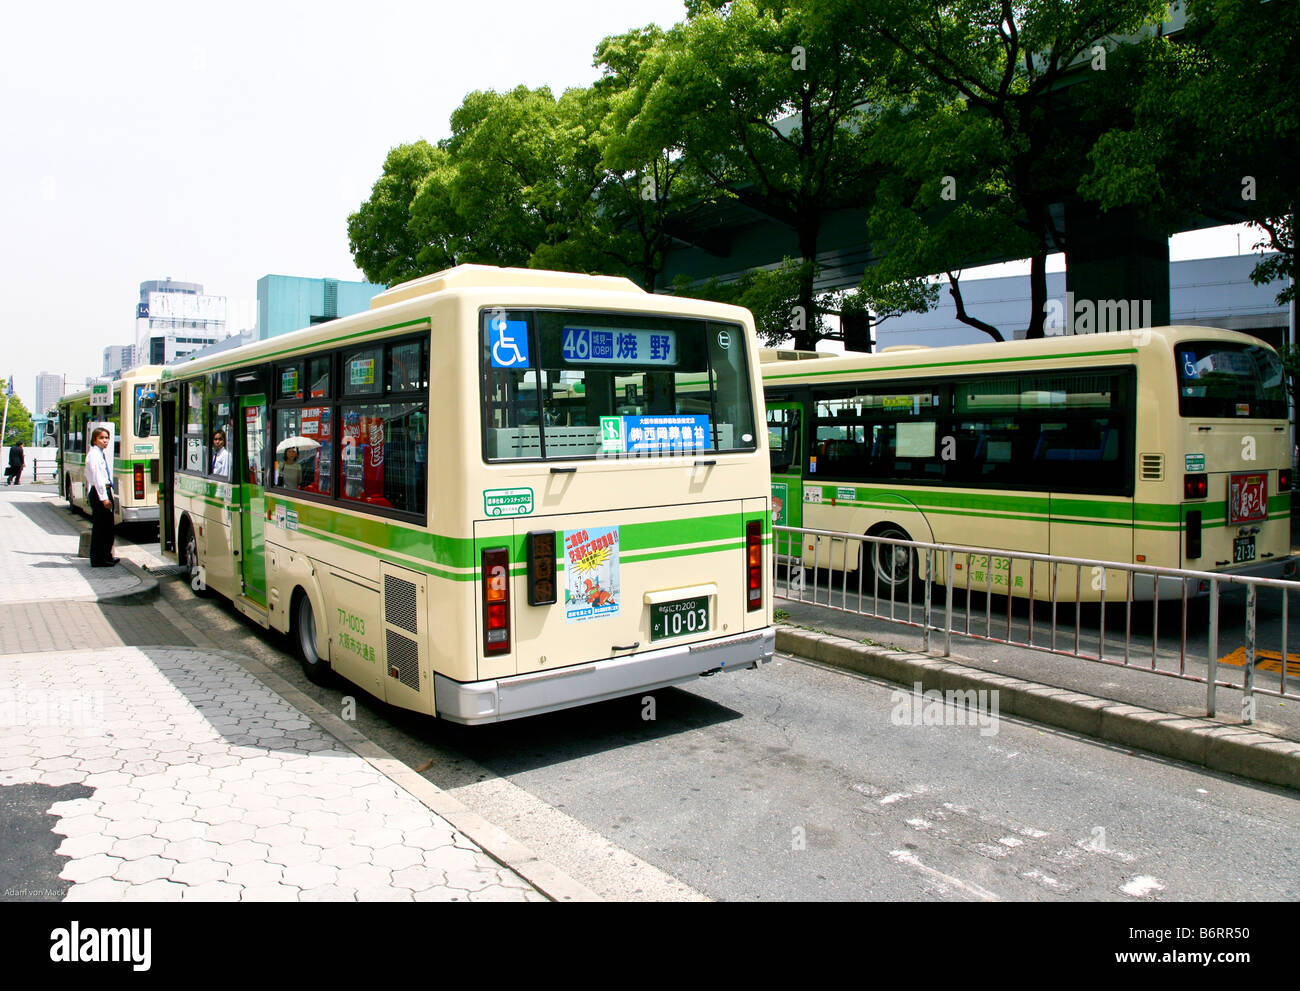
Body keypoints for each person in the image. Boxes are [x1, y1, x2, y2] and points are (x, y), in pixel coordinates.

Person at [85, 427, 118, 567]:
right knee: (101, 528)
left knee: (108, 528)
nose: (105, 441)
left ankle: (106, 556)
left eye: (107, 438)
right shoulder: (94, 455)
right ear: (94, 440)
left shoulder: (99, 454)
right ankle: (99, 559)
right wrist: (104, 498)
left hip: (104, 491)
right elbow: (98, 478)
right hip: (100, 493)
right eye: (101, 438)